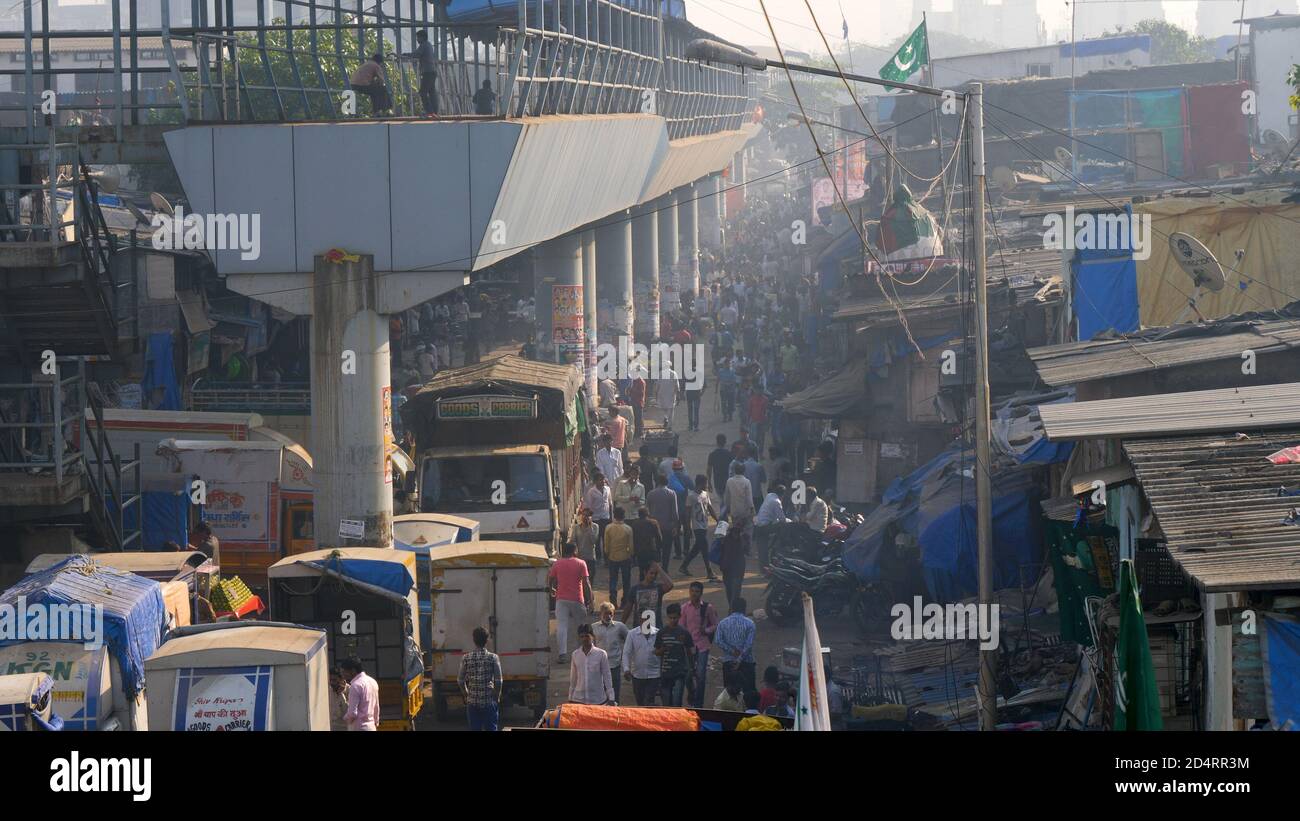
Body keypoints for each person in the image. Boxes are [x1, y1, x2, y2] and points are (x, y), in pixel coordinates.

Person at [547, 541, 592, 662]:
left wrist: (551, 588)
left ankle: (562, 654)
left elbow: (550, 578)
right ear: (574, 551)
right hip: (577, 599)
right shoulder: (581, 563)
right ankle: (581, 652)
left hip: (561, 599)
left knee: (561, 626)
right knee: (581, 626)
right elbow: (586, 583)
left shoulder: (557, 564)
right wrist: (590, 599)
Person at [679, 581, 719, 708]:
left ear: (701, 593)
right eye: (692, 591)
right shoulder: (684, 608)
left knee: (701, 675)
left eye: (697, 592)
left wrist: (706, 631)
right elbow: (681, 626)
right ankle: (692, 693)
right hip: (689, 646)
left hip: (702, 645)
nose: (694, 594)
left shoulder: (708, 608)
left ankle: (698, 704)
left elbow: (715, 625)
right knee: (688, 675)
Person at [457, 626, 503, 730]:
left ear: (474, 640)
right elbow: (498, 681)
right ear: (487, 641)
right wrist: (497, 697)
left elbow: (460, 680)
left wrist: (466, 694)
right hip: (488, 701)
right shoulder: (493, 657)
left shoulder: (466, 658)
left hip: (472, 702)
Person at [654, 602, 694, 707]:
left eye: (675, 618)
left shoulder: (684, 633)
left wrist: (691, 668)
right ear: (667, 617)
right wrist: (663, 649)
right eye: (670, 618)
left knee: (677, 702)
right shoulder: (662, 633)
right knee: (667, 704)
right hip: (666, 672)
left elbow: (689, 652)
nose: (673, 620)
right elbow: (656, 652)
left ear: (679, 617)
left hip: (679, 672)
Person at [715, 597, 757, 695]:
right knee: (749, 693)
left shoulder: (722, 623)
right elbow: (748, 645)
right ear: (744, 608)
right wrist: (739, 658)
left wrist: (732, 651)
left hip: (729, 663)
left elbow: (718, 641)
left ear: (732, 608)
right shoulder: (750, 624)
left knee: (730, 694)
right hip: (747, 662)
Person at [591, 602, 630, 705]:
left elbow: (630, 639)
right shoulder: (593, 627)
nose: (608, 616)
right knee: (600, 692)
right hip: (599, 665)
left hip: (614, 664)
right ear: (601, 614)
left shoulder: (620, 626)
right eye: (605, 614)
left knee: (614, 692)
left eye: (610, 614)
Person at [680, 475, 717, 580]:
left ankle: (683, 566)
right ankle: (709, 571)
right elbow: (687, 513)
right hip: (697, 526)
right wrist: (687, 527)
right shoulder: (691, 496)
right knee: (705, 548)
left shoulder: (705, 494)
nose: (707, 485)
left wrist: (717, 519)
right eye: (706, 483)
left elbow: (710, 508)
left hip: (705, 524)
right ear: (700, 484)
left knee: (697, 548)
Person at [569, 623, 615, 705]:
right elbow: (573, 678)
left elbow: (607, 676)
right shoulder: (575, 654)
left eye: (587, 636)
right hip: (579, 699)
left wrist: (611, 697)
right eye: (581, 637)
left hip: (597, 699)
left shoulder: (601, 654)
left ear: (592, 636)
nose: (584, 639)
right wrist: (570, 697)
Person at [622, 614, 661, 705]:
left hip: (654, 674)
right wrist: (626, 669)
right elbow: (626, 653)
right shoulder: (632, 634)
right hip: (637, 675)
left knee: (649, 701)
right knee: (640, 702)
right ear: (639, 620)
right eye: (643, 619)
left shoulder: (658, 633)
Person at [621, 561, 673, 629]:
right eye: (651, 573)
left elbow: (670, 585)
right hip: (639, 628)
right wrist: (621, 625)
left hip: (655, 628)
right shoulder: (635, 589)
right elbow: (628, 609)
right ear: (645, 573)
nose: (653, 576)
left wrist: (659, 568)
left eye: (655, 574)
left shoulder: (658, 588)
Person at [603, 506, 635, 606]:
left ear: (614, 516)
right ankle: (625, 600)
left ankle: (613, 595)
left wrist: (607, 553)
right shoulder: (628, 529)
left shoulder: (608, 528)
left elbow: (606, 544)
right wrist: (631, 555)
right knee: (626, 580)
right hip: (625, 556)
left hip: (612, 556)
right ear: (624, 516)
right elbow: (631, 546)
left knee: (613, 578)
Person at [646, 477, 679, 568]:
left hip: (654, 526)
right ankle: (665, 568)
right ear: (666, 483)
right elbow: (675, 512)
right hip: (667, 526)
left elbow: (647, 510)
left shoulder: (650, 494)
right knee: (666, 549)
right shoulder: (672, 493)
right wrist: (675, 526)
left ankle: (656, 568)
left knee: (656, 549)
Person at [341, 656, 379, 731]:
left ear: (353, 670)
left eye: (344, 672)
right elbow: (376, 707)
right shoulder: (373, 682)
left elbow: (352, 713)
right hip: (371, 727)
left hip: (359, 727)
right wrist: (376, 722)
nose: (343, 675)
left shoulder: (355, 686)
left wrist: (344, 718)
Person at [754, 484, 786, 569]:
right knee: (784, 526)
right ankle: (778, 546)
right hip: (765, 527)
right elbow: (782, 519)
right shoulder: (777, 502)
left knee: (762, 549)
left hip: (758, 525)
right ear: (782, 494)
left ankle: (763, 569)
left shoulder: (769, 496)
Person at [406, 30, 438, 116]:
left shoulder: (424, 45)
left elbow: (416, 54)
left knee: (423, 92)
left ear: (422, 37)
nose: (417, 39)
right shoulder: (429, 45)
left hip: (428, 72)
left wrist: (405, 55)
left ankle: (429, 111)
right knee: (431, 92)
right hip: (432, 71)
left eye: (418, 37)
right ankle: (434, 111)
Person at [583, 470, 613, 554]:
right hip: (596, 518)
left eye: (603, 479)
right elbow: (588, 506)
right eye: (600, 480)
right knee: (596, 538)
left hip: (605, 517)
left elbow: (610, 503)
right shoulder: (591, 492)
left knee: (606, 538)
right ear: (595, 481)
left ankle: (607, 556)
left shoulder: (607, 489)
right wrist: (588, 519)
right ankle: (598, 556)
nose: (602, 481)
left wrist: (611, 517)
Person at [628, 506, 663, 576]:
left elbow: (633, 538)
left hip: (640, 550)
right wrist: (659, 547)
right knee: (652, 569)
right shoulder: (654, 523)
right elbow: (659, 537)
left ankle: (642, 583)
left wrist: (633, 553)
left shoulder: (635, 524)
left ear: (639, 514)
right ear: (648, 514)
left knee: (642, 569)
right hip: (651, 549)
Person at [627, 373, 647, 441]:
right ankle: (637, 431)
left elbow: (641, 393)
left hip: (638, 402)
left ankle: (640, 432)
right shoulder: (634, 381)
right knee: (635, 417)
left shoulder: (641, 382)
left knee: (639, 417)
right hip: (634, 401)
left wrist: (632, 391)